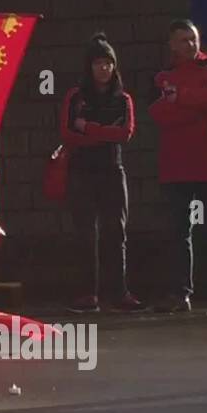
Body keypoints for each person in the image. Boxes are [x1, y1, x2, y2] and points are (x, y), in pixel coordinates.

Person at [149, 20, 207, 313]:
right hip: (176, 165)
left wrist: (181, 99)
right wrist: (194, 106)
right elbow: (158, 114)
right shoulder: (161, 76)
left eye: (194, 39)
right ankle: (180, 294)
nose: (190, 44)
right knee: (178, 233)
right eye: (184, 40)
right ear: (172, 44)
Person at [60, 33, 143, 313]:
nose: (103, 69)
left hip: (112, 170)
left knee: (115, 231)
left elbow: (125, 133)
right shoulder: (76, 96)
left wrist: (90, 128)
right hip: (82, 171)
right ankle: (87, 293)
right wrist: (103, 133)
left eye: (108, 63)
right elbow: (69, 134)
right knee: (85, 232)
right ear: (89, 66)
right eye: (98, 63)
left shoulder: (123, 99)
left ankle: (119, 292)